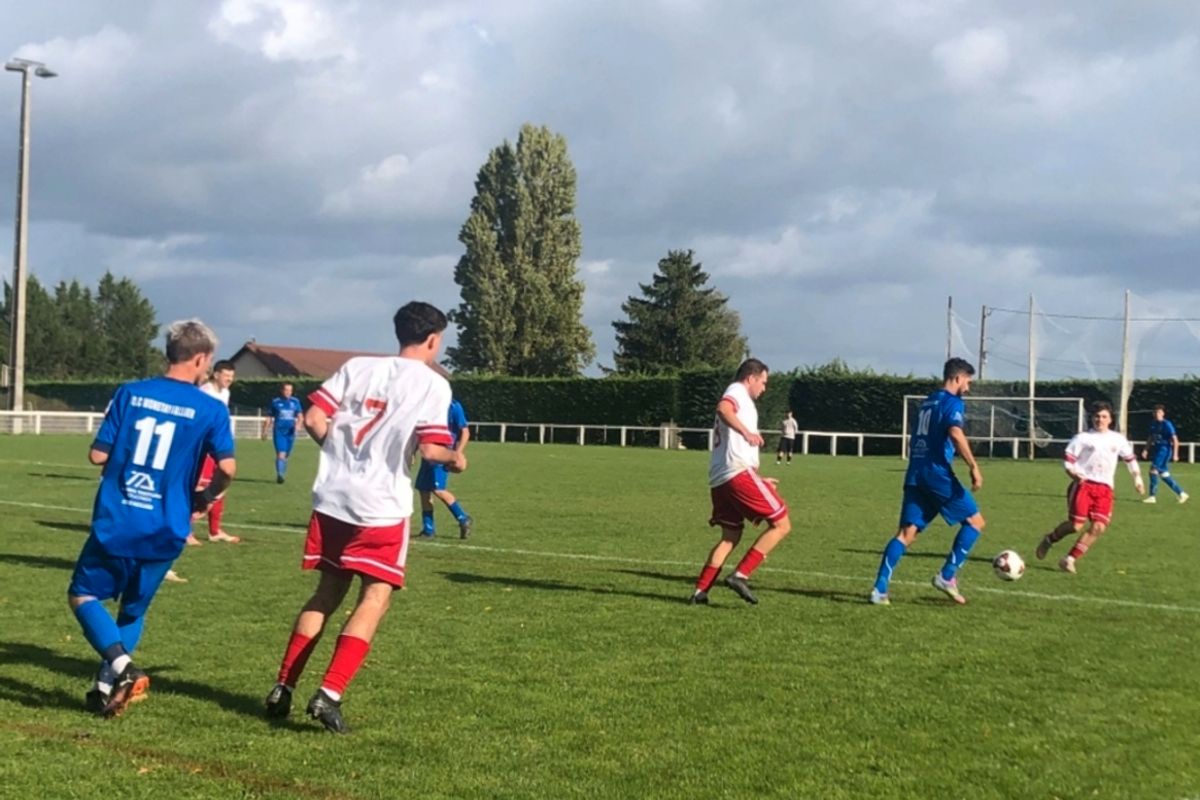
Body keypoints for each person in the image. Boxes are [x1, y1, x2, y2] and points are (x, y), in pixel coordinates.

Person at [264, 301, 467, 734]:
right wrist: (457, 458)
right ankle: (329, 694)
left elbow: (314, 416)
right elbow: (431, 451)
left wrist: (339, 456)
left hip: (333, 498)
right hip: (381, 506)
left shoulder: (357, 367)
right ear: (433, 339)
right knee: (375, 595)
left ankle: (284, 685)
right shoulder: (434, 385)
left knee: (326, 592)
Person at [67, 319, 235, 717]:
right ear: (200, 359)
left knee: (82, 594)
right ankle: (104, 687)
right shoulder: (211, 408)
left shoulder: (131, 393)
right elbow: (227, 466)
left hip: (120, 518)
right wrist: (206, 497)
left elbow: (98, 455)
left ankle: (122, 669)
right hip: (168, 524)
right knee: (134, 610)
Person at [870, 357, 984, 606]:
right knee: (975, 522)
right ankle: (947, 575)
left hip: (916, 472)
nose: (968, 387)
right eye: (967, 381)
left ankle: (879, 590)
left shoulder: (927, 402)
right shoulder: (952, 402)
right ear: (957, 377)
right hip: (936, 473)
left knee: (906, 534)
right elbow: (955, 432)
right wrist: (973, 466)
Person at [689, 358, 791, 606]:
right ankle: (741, 574)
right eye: (763, 382)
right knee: (781, 523)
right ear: (751, 378)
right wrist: (746, 432)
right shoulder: (737, 391)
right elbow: (724, 409)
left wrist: (758, 479)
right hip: (736, 474)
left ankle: (700, 592)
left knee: (730, 536)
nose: (764, 388)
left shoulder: (742, 398)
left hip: (721, 478)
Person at [1035, 401, 1144, 573]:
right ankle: (1049, 539)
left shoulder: (1118, 439)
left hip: (1105, 489)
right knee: (1075, 526)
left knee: (1099, 527)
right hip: (1083, 485)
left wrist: (1137, 479)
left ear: (1110, 419)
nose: (1100, 420)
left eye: (1104, 417)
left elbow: (1130, 459)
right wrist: (1072, 473)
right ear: (1092, 419)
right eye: (1097, 416)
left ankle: (1069, 559)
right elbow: (1068, 460)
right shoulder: (1083, 438)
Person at [191, 360, 239, 544]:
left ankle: (214, 530)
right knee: (200, 486)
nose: (229, 379)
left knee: (221, 485)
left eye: (232, 376)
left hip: (219, 446)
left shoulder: (225, 393)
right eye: (226, 375)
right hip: (205, 446)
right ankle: (187, 531)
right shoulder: (205, 392)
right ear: (216, 374)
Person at [415, 397, 473, 539]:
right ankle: (428, 529)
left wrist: (457, 453)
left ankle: (463, 518)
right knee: (424, 490)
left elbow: (465, 431)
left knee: (438, 489)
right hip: (429, 452)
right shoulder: (429, 403)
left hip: (443, 453)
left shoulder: (453, 406)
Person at [1141, 404, 1189, 505]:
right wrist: (1146, 449)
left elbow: (1175, 440)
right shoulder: (1153, 424)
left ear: (1163, 413)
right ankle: (1182, 493)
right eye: (1155, 412)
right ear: (1153, 413)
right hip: (1158, 450)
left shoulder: (1167, 424)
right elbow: (1151, 438)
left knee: (1153, 470)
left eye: (1159, 412)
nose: (1157, 414)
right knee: (1164, 474)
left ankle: (1152, 496)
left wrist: (1175, 454)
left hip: (1164, 451)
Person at [264, 382, 304, 484]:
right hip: (279, 431)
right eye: (286, 390)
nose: (288, 392)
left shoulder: (295, 402)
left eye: (290, 390)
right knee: (281, 454)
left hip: (290, 432)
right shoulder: (275, 402)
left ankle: (281, 471)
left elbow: (300, 416)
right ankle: (280, 475)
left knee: (286, 455)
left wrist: (298, 425)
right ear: (282, 390)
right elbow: (269, 417)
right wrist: (265, 430)